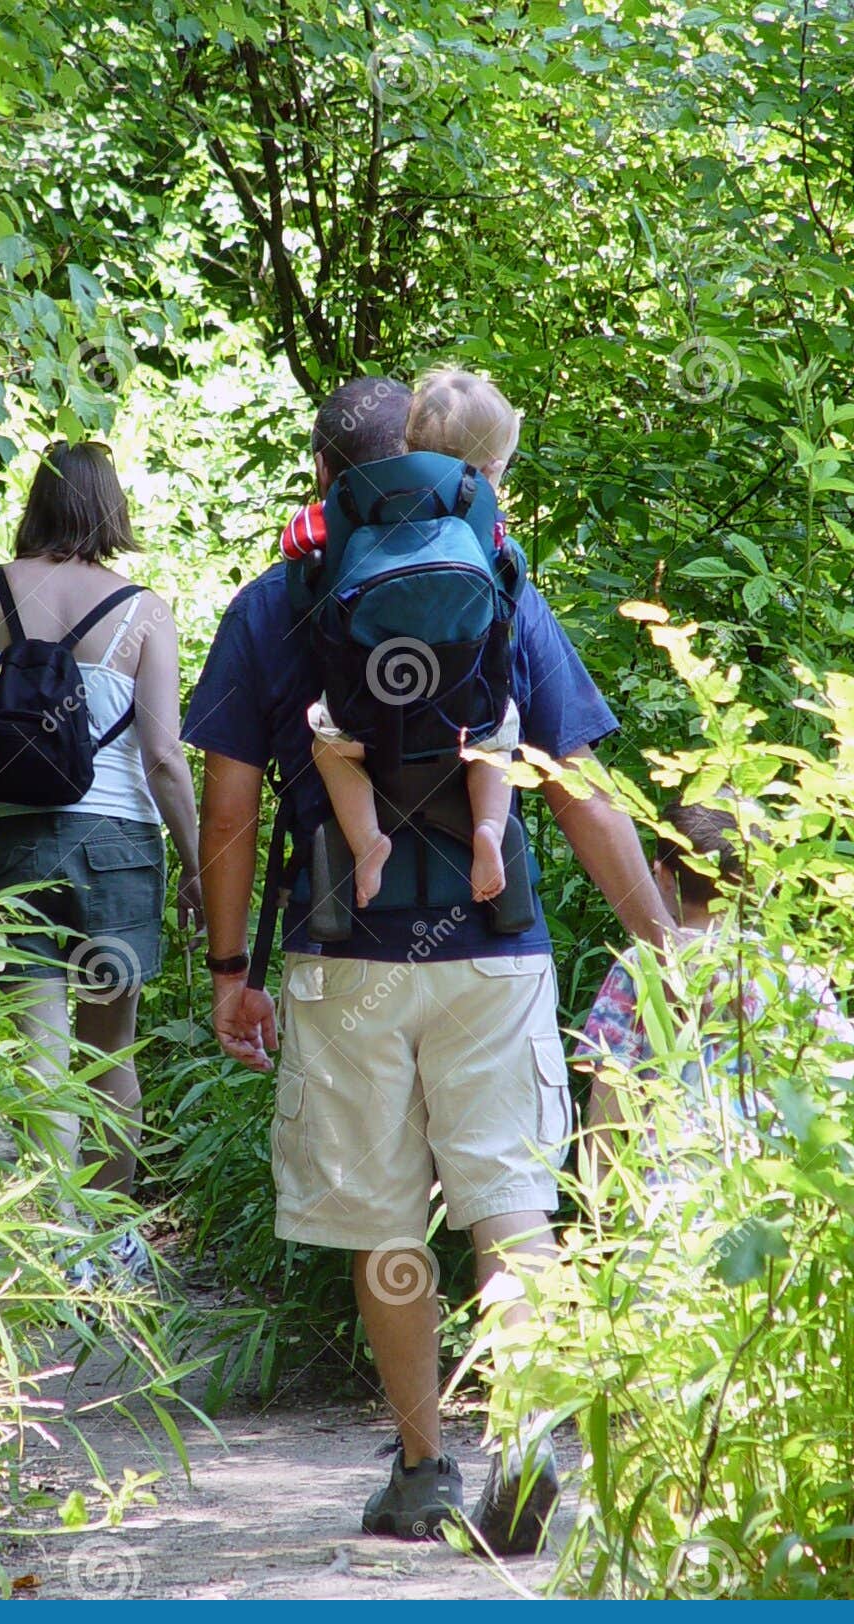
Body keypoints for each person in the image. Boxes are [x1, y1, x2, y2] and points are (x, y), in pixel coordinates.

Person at [182, 375, 675, 1550]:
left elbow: (229, 810)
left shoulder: (276, 601)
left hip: (344, 958)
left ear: (322, 476)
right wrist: (667, 949)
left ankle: (422, 1469)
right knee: (512, 1202)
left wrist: (226, 968)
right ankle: (524, 1441)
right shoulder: (498, 576)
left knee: (386, 1223)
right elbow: (584, 792)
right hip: (497, 955)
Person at [0, 440, 203, 1282]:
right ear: (110, 509)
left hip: (8, 843)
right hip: (115, 850)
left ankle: (55, 1247)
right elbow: (164, 757)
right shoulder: (142, 611)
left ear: (36, 503)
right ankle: (111, 1240)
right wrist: (199, 866)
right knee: (109, 1052)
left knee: (38, 1048)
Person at [285, 369, 522, 909]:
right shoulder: (487, 523)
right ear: (491, 468)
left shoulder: (351, 506)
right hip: (471, 711)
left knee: (329, 745)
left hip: (363, 709)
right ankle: (488, 827)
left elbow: (298, 544)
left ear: (409, 443)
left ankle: (368, 841)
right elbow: (510, 577)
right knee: (499, 744)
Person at [578, 798, 854, 1199]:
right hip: (772, 1191)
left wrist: (600, 1208)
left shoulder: (641, 967)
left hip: (667, 1197)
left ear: (663, 876)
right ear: (757, 881)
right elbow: (839, 1078)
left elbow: (608, 1102)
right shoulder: (791, 969)